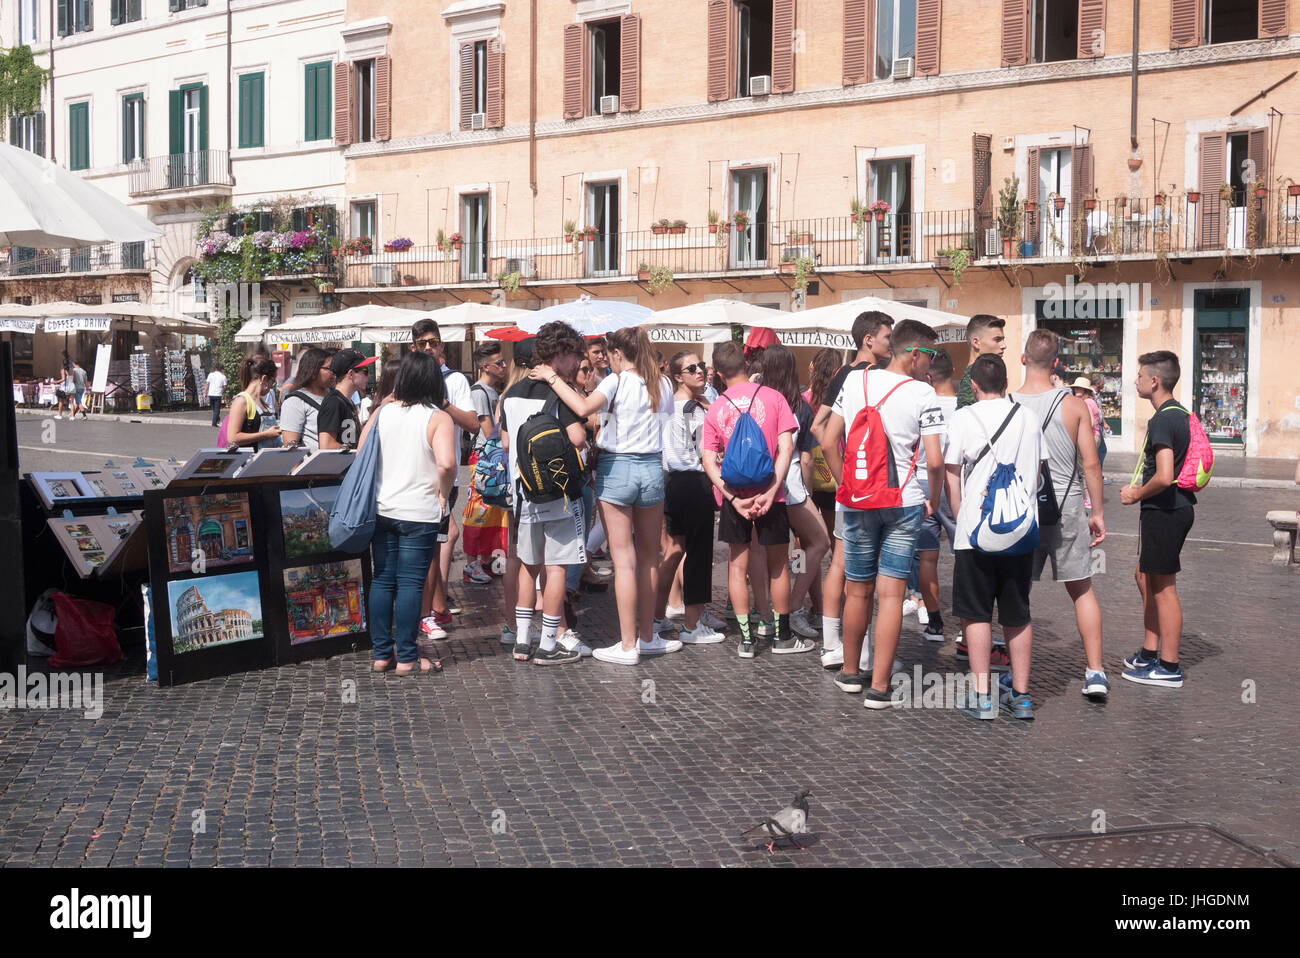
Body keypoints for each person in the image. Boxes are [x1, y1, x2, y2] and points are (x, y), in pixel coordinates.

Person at [534, 326, 682, 665]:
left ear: (617, 354)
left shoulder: (617, 380)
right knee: (648, 558)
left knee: (624, 561)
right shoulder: (664, 383)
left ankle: (628, 645)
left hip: (618, 469)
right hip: (652, 469)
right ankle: (648, 636)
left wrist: (552, 378)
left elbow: (584, 408)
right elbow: (662, 422)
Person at [819, 318, 946, 708]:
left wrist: (847, 486)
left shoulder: (856, 382)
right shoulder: (923, 395)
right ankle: (879, 687)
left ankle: (851, 673)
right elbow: (936, 462)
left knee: (857, 589)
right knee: (891, 596)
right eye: (931, 355)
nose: (933, 364)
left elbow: (827, 440)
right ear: (913, 353)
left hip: (858, 502)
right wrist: (935, 499)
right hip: (904, 502)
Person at [944, 354, 1046, 720]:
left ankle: (983, 696)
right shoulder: (1028, 417)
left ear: (973, 386)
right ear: (1005, 382)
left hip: (975, 530)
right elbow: (1035, 476)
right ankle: (1021, 697)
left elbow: (952, 474)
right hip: (1019, 528)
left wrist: (960, 516)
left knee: (975, 614)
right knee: (1018, 613)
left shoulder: (963, 418)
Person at [700, 340, 811, 659]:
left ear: (719, 373)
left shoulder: (716, 408)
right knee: (778, 568)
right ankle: (782, 636)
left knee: (737, 567)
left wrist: (733, 499)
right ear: (748, 365)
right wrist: (769, 491)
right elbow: (787, 449)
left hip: (735, 498)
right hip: (771, 496)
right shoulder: (774, 398)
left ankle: (746, 640)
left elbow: (709, 461)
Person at [1015, 332, 1109, 700]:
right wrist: (1097, 512)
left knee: (1019, 589)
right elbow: (1091, 464)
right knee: (1082, 588)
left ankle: (1014, 666)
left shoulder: (1007, 402)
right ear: (1057, 363)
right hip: (1068, 506)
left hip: (1023, 509)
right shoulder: (1074, 406)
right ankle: (1096, 671)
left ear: (1023, 359)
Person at [500, 321, 593, 666]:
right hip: (557, 493)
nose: (577, 363)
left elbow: (508, 441)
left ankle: (522, 642)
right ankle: (549, 643)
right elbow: (577, 439)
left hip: (522, 492)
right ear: (561, 353)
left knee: (528, 566)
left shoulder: (511, 393)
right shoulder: (560, 392)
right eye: (575, 356)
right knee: (555, 568)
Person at [359, 351, 456, 675]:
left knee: (383, 580)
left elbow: (361, 451)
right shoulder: (438, 417)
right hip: (419, 511)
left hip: (383, 508)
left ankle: (381, 654)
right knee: (411, 584)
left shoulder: (384, 412)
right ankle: (407, 658)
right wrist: (444, 492)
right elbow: (446, 464)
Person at [811, 311, 894, 668]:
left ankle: (832, 645)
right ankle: (857, 651)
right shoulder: (879, 377)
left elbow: (818, 426)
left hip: (851, 484)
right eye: (888, 337)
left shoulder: (843, 374)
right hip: (872, 483)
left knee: (841, 561)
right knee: (866, 571)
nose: (891, 344)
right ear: (868, 340)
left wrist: (844, 467)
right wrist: (851, 469)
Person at [1120, 351, 1195, 689]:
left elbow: (1164, 475)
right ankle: (1151, 652)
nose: (1134, 381)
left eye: (1139, 376)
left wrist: (1137, 492)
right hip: (1168, 509)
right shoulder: (1179, 413)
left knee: (1164, 588)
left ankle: (1169, 665)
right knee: (1144, 576)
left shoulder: (1163, 419)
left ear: (1154, 381)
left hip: (1166, 509)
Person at [410, 319, 479, 641]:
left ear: (442, 345)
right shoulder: (409, 377)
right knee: (432, 542)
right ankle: (429, 609)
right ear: (413, 347)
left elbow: (473, 425)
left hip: (445, 475)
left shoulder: (457, 382)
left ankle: (434, 607)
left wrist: (444, 404)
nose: (428, 347)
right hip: (417, 472)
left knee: (439, 540)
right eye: (422, 343)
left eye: (433, 342)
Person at [653, 351, 725, 644]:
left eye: (702, 366)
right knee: (698, 554)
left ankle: (656, 616)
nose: (700, 371)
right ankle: (692, 626)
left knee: (674, 552)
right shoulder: (694, 410)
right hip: (694, 482)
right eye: (691, 368)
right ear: (677, 376)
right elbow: (708, 450)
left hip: (672, 483)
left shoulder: (665, 405)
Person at [762, 343, 830, 640]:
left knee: (768, 552)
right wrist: (809, 493)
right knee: (818, 541)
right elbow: (803, 456)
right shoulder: (798, 406)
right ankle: (793, 607)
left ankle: (765, 613)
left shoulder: (758, 399)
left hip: (758, 483)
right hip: (790, 486)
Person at [914, 347, 958, 642]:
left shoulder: (920, 403)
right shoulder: (965, 408)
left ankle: (935, 621)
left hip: (922, 483)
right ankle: (970, 623)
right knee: (965, 556)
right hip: (955, 484)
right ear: (953, 373)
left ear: (928, 376)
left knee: (927, 558)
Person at [462, 340, 508, 585]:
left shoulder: (494, 392)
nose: (503, 366)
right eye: (499, 363)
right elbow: (487, 428)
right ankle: (470, 564)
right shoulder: (479, 392)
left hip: (493, 456)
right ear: (485, 366)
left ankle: (487, 560)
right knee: (478, 510)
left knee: (493, 510)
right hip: (483, 457)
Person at [279, 347, 336, 449]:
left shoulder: (335, 397)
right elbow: (291, 448)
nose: (334, 373)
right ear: (313, 370)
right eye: (329, 369)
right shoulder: (294, 401)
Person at [319, 349, 376, 450]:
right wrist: (357, 450)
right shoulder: (334, 402)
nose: (369, 375)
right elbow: (326, 446)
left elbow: (351, 439)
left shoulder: (348, 402)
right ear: (350, 374)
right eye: (365, 371)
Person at [226, 356, 283, 449]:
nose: (272, 386)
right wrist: (265, 435)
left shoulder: (261, 401)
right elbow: (232, 438)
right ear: (264, 379)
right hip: (250, 461)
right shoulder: (241, 401)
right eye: (273, 381)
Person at [956, 314, 1007, 408]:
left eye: (1003, 339)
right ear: (976, 342)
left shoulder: (983, 373)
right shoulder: (971, 379)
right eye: (997, 340)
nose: (1004, 345)